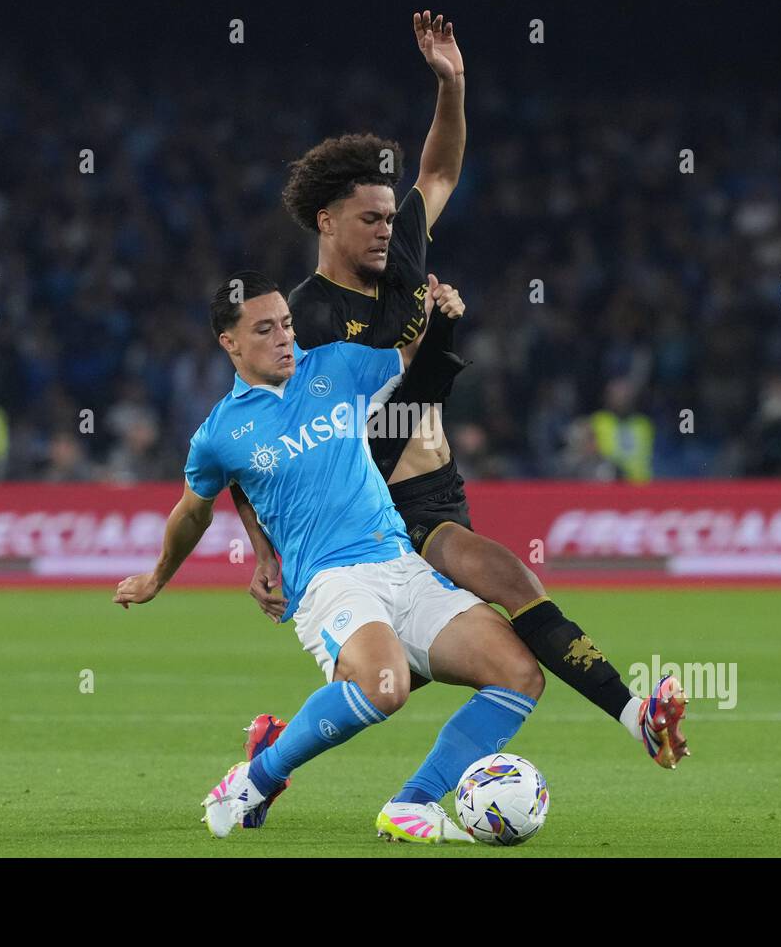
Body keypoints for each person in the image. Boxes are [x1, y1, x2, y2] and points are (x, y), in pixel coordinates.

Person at [232, 11, 689, 788]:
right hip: (379, 496)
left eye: (388, 217)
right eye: (370, 218)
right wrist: (262, 548)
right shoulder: (301, 317)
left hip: (441, 485)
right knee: (509, 579)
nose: (387, 228)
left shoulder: (401, 254)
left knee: (405, 677)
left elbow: (437, 174)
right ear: (327, 221)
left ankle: (275, 748)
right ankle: (635, 715)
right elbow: (254, 436)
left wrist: (453, 84)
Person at [115, 272, 578, 843]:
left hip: (400, 563)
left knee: (520, 673)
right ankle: (255, 778)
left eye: (286, 323)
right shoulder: (219, 434)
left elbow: (413, 354)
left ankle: (411, 805)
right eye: (264, 330)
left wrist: (443, 316)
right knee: (387, 686)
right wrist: (158, 577)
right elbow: (194, 512)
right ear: (229, 343)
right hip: (330, 581)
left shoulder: (336, 366)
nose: (284, 337)